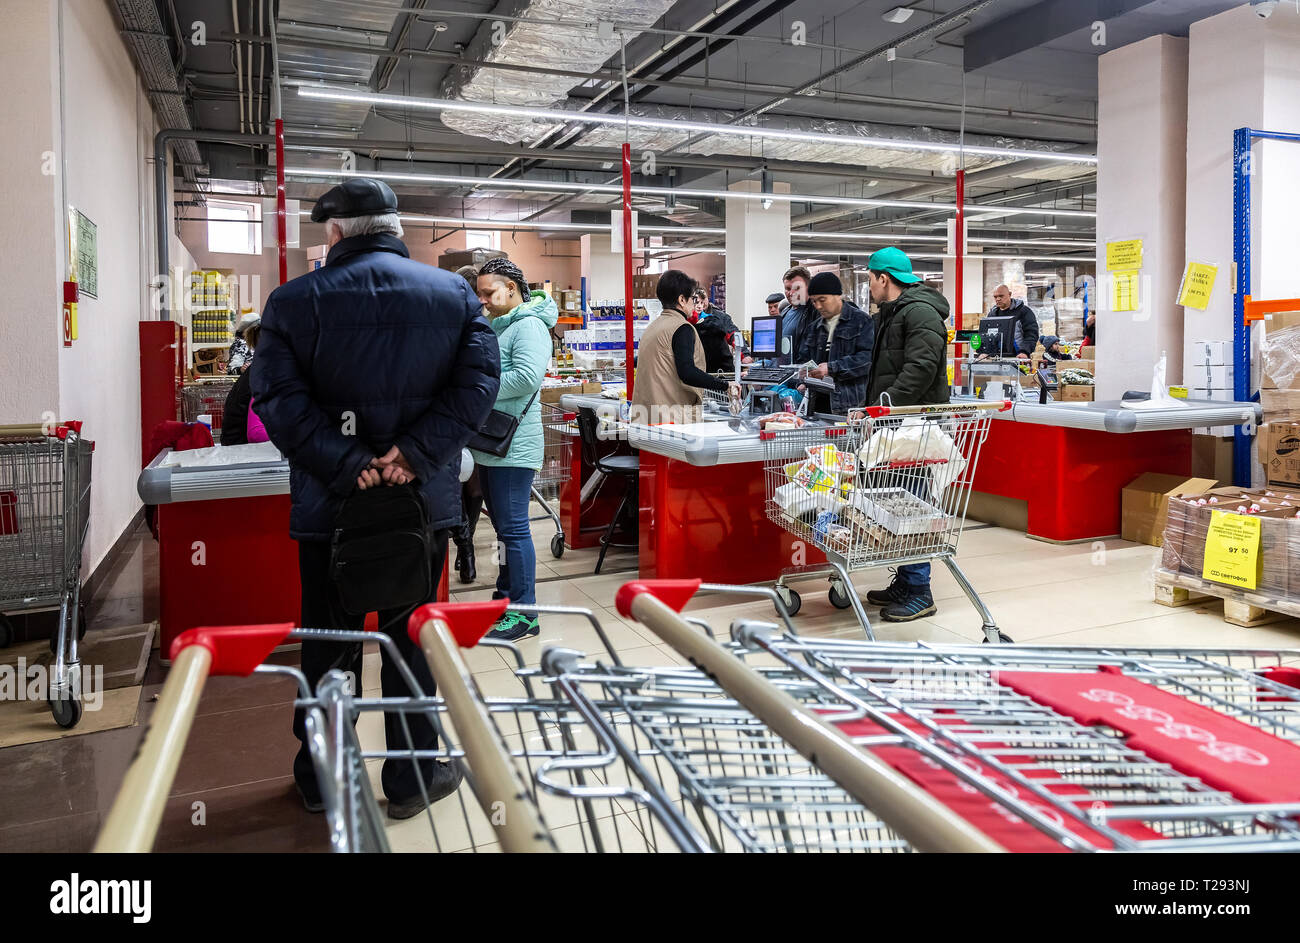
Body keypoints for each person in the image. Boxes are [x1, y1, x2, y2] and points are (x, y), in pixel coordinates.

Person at [251, 177, 500, 818]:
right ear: (396, 228)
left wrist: (349, 462)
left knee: (328, 647)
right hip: (420, 504)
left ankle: (323, 780)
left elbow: (279, 403)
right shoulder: (453, 295)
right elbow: (478, 387)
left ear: (333, 234)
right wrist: (412, 455)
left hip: (330, 508)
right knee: (411, 642)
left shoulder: (290, 302)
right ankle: (413, 780)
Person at [861, 246, 950, 623]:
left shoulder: (919, 312)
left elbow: (922, 366)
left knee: (912, 502)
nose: (868, 286)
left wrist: (887, 405)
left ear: (884, 278)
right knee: (895, 500)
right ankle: (905, 578)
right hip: (898, 421)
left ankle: (920, 589)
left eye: (869, 278)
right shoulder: (895, 312)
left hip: (914, 423)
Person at [471, 257, 557, 641]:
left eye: (489, 292)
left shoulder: (528, 325)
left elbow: (526, 377)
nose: (483, 300)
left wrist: (476, 388)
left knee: (515, 529)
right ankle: (506, 599)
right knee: (503, 531)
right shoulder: (499, 325)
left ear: (511, 288)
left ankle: (526, 614)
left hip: (514, 445)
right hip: (491, 444)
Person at [632, 269, 739, 425]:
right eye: (692, 299)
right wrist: (726, 385)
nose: (694, 304)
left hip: (646, 419)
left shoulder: (653, 327)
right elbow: (687, 372)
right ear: (682, 300)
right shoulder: (682, 328)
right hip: (670, 422)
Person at [796, 272, 875, 414]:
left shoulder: (861, 322)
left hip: (849, 406)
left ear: (838, 295)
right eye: (814, 301)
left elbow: (866, 360)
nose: (818, 306)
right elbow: (803, 358)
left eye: (822, 299)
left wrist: (831, 369)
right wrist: (803, 375)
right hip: (817, 405)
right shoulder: (814, 328)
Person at [451, 263, 485, 584]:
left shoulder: (487, 325)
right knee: (452, 484)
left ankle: (467, 546)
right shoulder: (446, 324)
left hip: (477, 416)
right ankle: (464, 541)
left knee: (474, 488)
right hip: (451, 415)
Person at [221, 317, 261, 445]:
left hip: (234, 442)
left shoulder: (259, 369)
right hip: (241, 448)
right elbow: (256, 433)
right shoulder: (262, 374)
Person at [690, 288, 749, 373]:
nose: (700, 305)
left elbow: (733, 334)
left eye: (703, 299)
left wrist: (744, 354)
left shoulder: (720, 317)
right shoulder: (688, 319)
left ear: (707, 299)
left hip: (720, 368)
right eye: (697, 301)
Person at [986, 284, 1039, 358]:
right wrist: (984, 352)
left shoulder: (1023, 311)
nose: (998, 299)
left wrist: (1024, 352)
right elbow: (987, 336)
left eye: (1001, 296)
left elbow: (1031, 334)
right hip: (996, 358)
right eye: (995, 297)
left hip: (1019, 356)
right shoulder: (992, 314)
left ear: (1009, 294)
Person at [780, 265, 815, 364]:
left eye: (797, 288)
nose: (791, 293)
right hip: (782, 373)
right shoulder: (784, 312)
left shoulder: (815, 312)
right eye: (787, 288)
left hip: (802, 374)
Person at [227, 312, 259, 376]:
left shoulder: (258, 343)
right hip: (246, 382)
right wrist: (241, 369)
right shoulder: (240, 344)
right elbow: (231, 370)